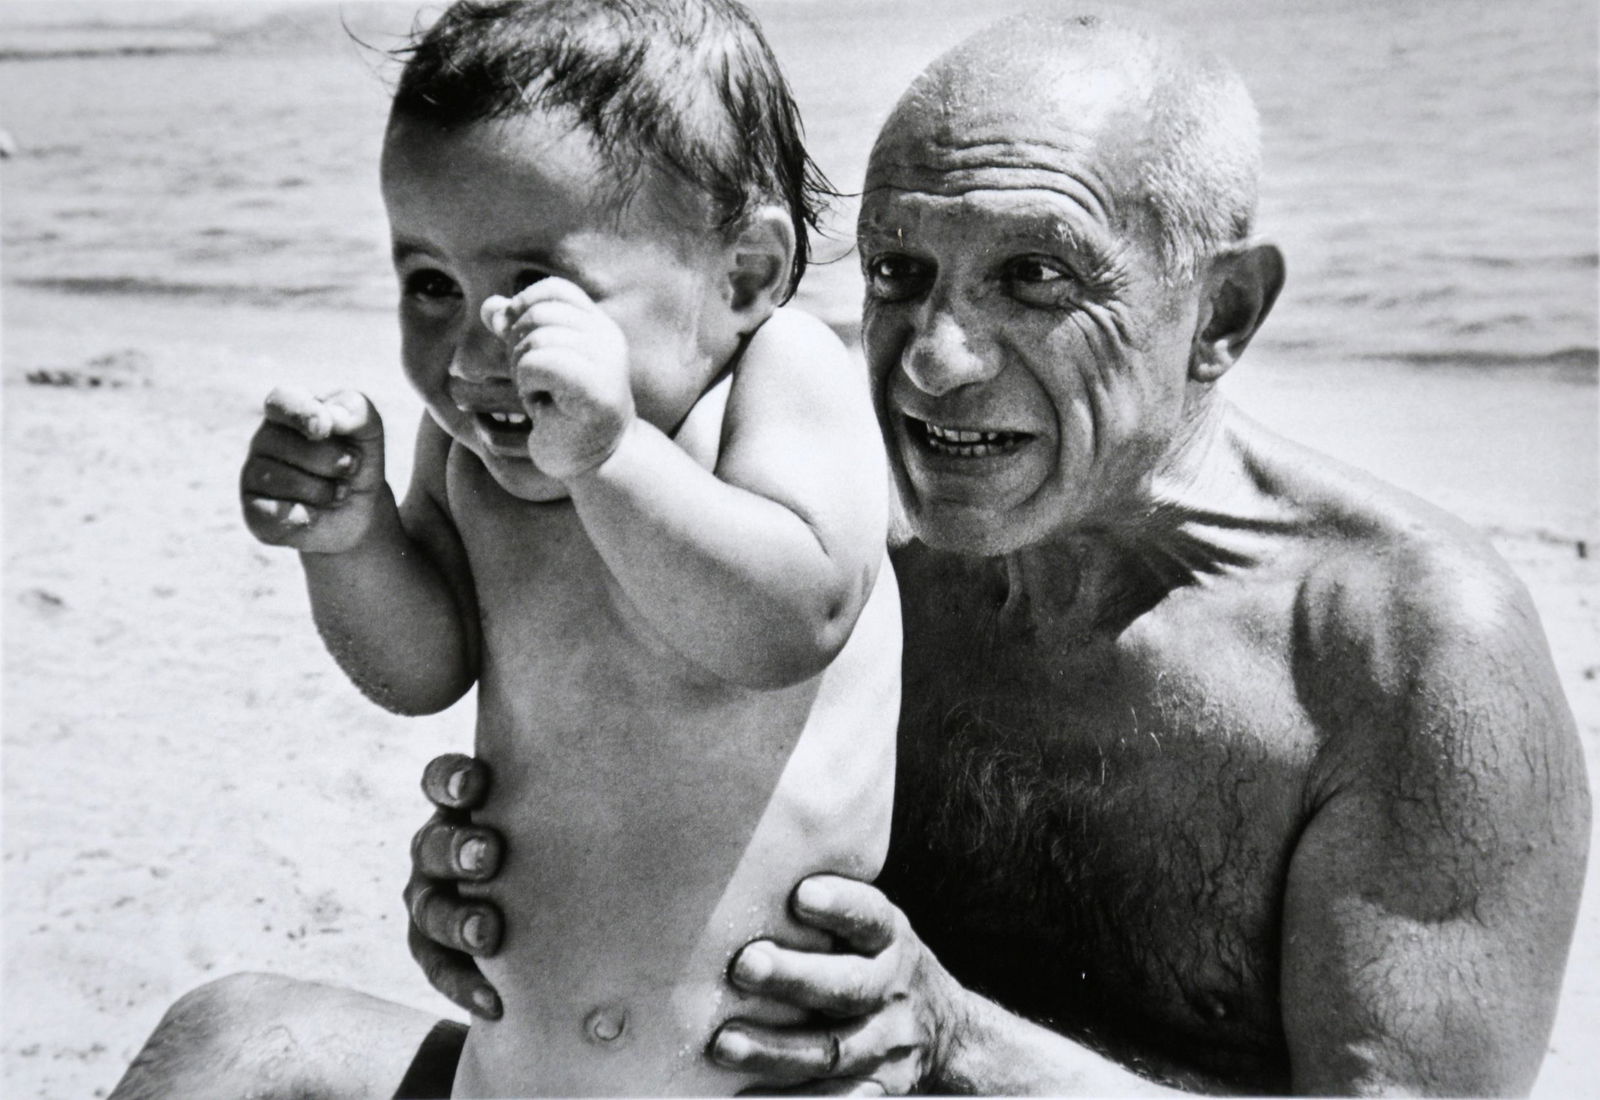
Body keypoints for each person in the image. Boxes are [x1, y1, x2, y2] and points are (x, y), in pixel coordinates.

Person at [112, 10, 1589, 1099]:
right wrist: (516, 883)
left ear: (1224, 316)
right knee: (234, 1041)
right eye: (896, 274)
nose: (934, 363)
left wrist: (961, 1044)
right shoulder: (786, 507)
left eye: (1035, 277)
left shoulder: (1398, 653)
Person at [222, 0, 898, 1095]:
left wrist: (613, 456)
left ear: (743, 275)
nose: (477, 347)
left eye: (536, 290)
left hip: (771, 1073)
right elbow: (416, 668)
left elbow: (792, 619)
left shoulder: (783, 382)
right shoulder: (468, 454)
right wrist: (349, 543)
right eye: (432, 284)